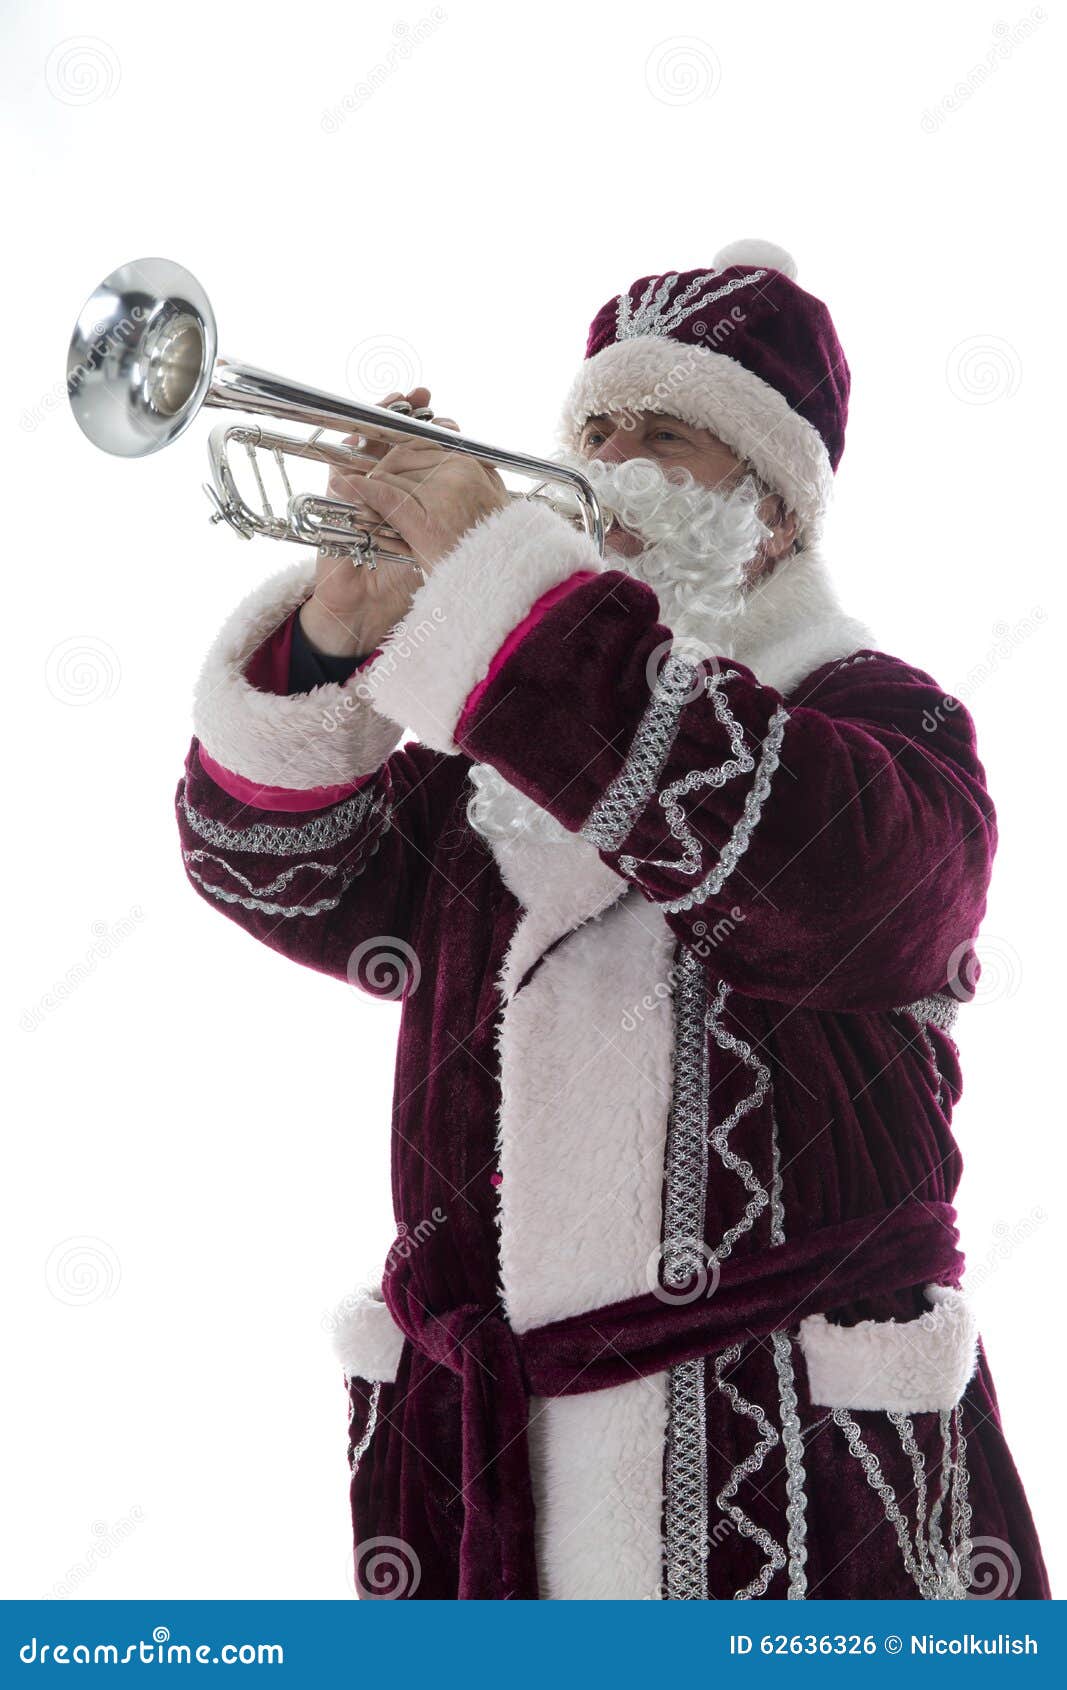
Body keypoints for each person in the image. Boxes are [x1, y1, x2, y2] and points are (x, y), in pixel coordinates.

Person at [175, 239, 1049, 1600]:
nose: (611, 462)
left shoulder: (889, 726)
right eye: (596, 426)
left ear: (770, 514)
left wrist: (511, 612)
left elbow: (814, 874)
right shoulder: (501, 767)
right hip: (497, 1481)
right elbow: (274, 866)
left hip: (801, 1487)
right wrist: (338, 645)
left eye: (672, 434)